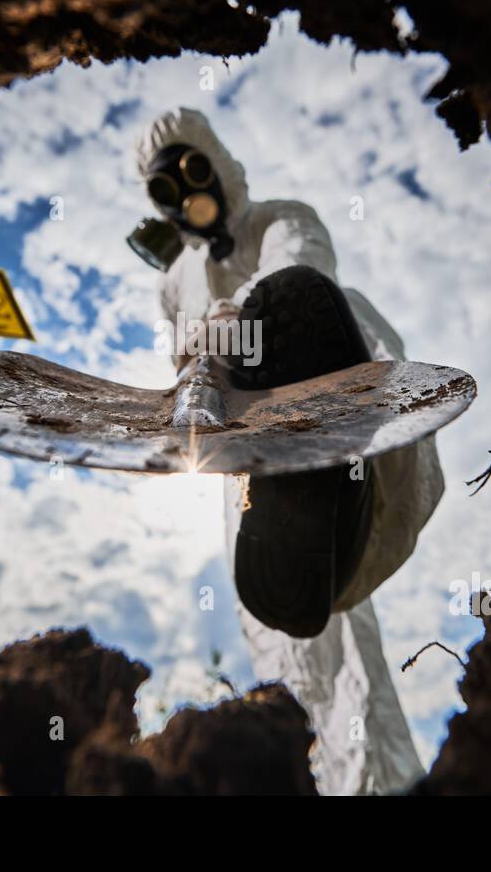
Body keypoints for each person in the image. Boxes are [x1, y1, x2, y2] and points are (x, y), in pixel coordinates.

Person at [129, 107, 445, 794]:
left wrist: (235, 323)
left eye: (194, 169)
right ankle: (305, 519)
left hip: (317, 383)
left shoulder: (279, 215)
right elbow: (181, 349)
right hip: (244, 445)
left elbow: (302, 270)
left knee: (305, 300)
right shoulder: (173, 279)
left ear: (218, 160)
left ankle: (340, 474)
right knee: (300, 647)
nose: (187, 195)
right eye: (167, 188)